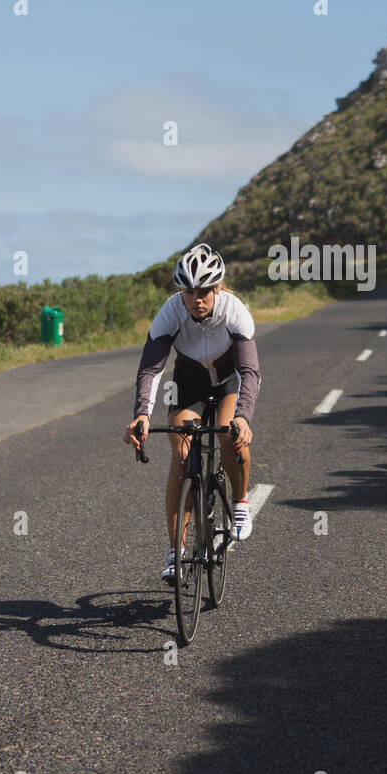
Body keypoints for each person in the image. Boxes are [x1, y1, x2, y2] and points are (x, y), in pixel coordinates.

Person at [124, 243, 261, 583]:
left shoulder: (235, 312)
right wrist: (142, 414)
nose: (197, 299)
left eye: (204, 291)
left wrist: (243, 416)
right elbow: (151, 371)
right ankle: (175, 553)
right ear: (180, 292)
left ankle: (240, 502)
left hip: (227, 381)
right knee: (182, 453)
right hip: (188, 384)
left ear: (217, 288)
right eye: (189, 292)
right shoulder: (170, 312)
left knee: (230, 434)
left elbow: (249, 371)